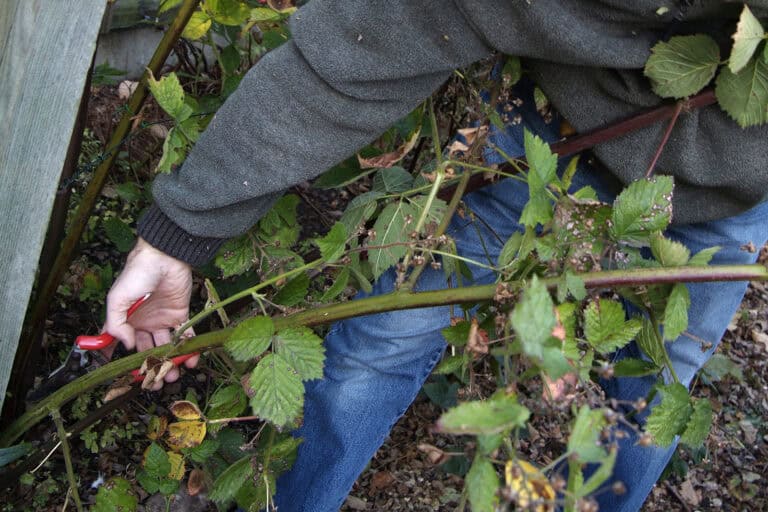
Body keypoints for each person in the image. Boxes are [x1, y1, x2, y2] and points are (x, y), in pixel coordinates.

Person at [104, 1, 768, 510]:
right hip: (554, 143)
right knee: (382, 337)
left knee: (652, 392)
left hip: (729, 201)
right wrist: (177, 233)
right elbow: (361, 48)